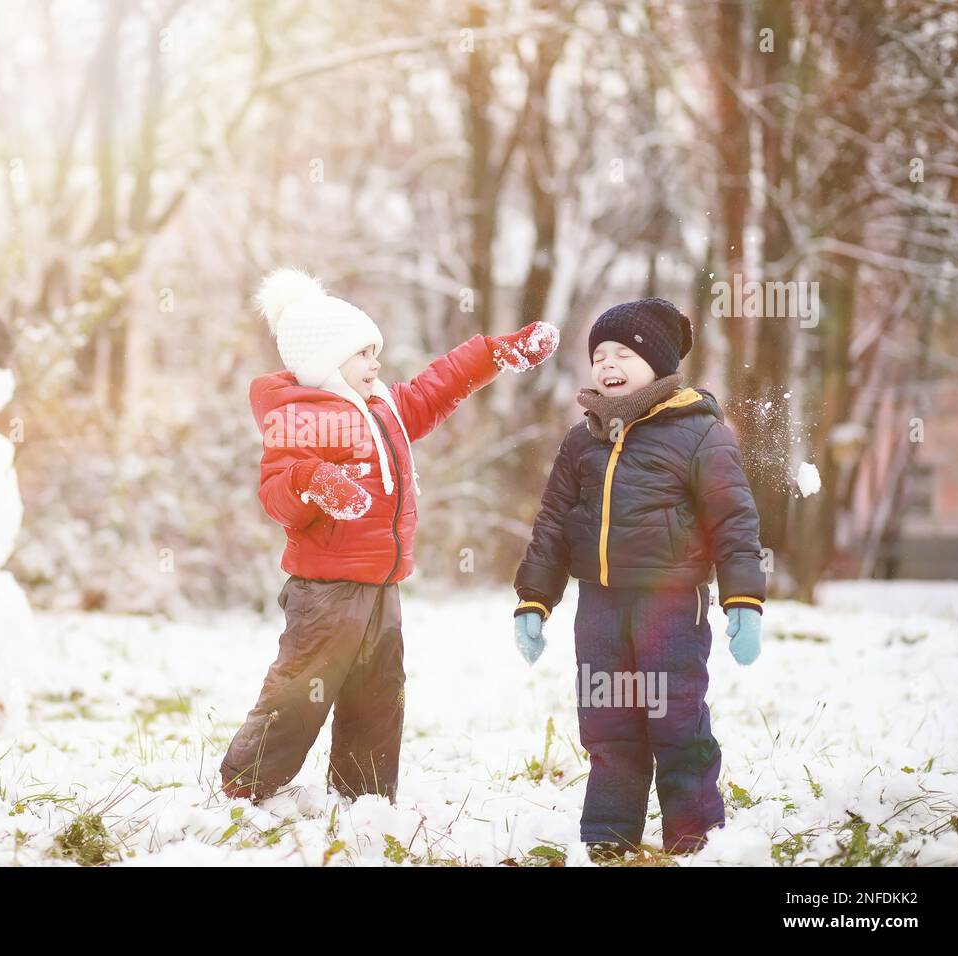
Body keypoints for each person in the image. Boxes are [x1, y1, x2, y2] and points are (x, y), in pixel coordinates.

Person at [220, 268, 559, 804]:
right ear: (326, 362)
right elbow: (276, 495)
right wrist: (314, 480)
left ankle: (365, 795)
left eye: (374, 351)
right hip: (326, 593)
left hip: (383, 586)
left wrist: (495, 352)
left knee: (378, 693)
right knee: (299, 693)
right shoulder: (302, 417)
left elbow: (436, 387)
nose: (375, 363)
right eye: (362, 354)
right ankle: (246, 783)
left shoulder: (382, 408)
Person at [512, 297, 766, 861]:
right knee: (607, 720)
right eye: (599, 353)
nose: (607, 363)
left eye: (623, 352)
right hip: (600, 605)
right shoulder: (583, 440)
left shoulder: (701, 432)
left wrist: (743, 598)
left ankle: (694, 832)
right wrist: (534, 600)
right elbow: (554, 522)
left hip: (672, 604)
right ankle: (608, 830)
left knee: (675, 718)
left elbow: (734, 518)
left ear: (658, 361)